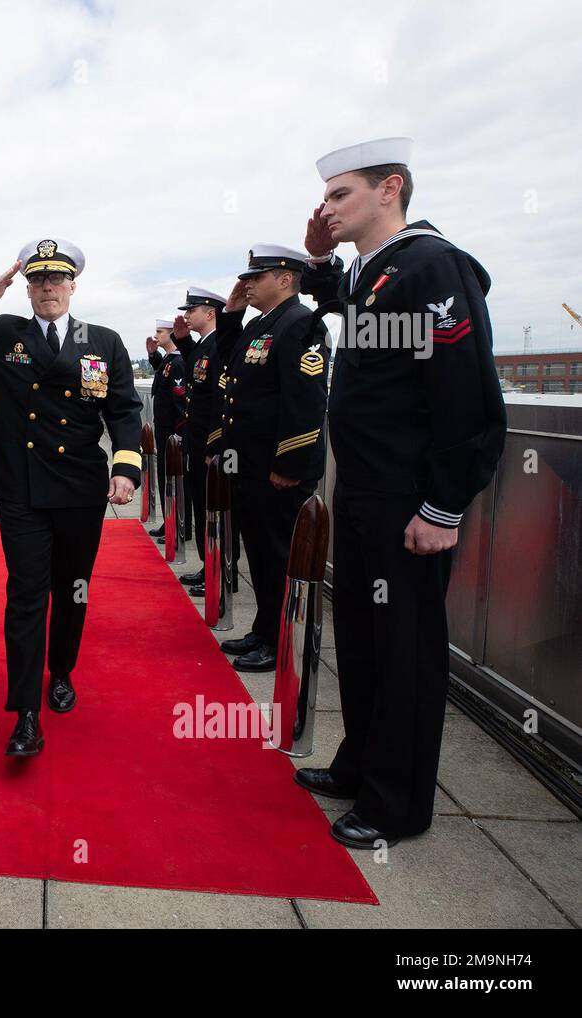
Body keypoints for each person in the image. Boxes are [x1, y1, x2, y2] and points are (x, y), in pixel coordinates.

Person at [295, 137, 506, 848]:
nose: (328, 208)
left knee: (406, 650)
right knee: (360, 640)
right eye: (326, 197)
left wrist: (443, 507)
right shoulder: (374, 273)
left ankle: (398, 804)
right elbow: (337, 302)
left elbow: (469, 398)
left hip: (408, 501)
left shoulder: (431, 267)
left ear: (390, 189)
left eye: (340, 195)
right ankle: (362, 765)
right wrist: (318, 257)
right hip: (363, 492)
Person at [0, 238, 142, 756]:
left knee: (73, 588)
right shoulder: (5, 333)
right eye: (37, 280)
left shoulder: (104, 341)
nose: (47, 287)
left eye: (56, 279)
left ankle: (62, 670)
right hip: (22, 486)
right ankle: (25, 712)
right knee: (26, 594)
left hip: (79, 487)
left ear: (73, 285)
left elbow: (124, 410)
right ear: (25, 289)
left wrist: (126, 467)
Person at [216, 245, 328, 672]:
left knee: (279, 559)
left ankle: (282, 642)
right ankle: (265, 631)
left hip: (278, 470)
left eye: (255, 278)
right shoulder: (263, 324)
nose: (247, 285)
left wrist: (289, 466)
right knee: (260, 557)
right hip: (252, 466)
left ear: (285, 279)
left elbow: (305, 402)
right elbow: (228, 363)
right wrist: (231, 312)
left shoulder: (301, 324)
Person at [176, 286, 243, 595]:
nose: (187, 316)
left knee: (215, 510)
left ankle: (221, 568)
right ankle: (209, 566)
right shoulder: (205, 345)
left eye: (192, 310)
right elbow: (195, 381)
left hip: (208, 445)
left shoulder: (219, 345)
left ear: (210, 313)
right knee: (202, 508)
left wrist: (214, 445)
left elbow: (221, 398)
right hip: (196, 440)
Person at [146, 318, 186, 541]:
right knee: (164, 477)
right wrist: (153, 357)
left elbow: (180, 402)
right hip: (163, 429)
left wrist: (177, 435)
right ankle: (169, 521)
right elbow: (163, 375)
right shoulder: (170, 360)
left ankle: (180, 526)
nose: (156, 336)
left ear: (172, 334)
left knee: (175, 480)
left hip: (173, 432)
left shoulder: (179, 361)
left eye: (160, 332)